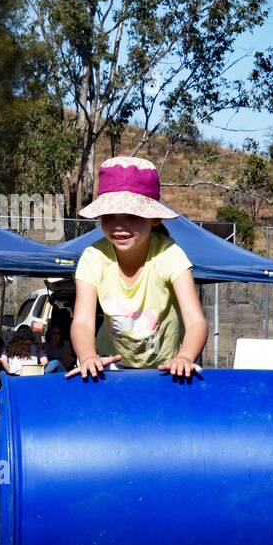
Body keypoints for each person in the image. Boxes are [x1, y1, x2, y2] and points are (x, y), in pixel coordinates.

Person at [69, 156, 206, 380]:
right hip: (108, 366)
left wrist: (186, 356)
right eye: (109, 216)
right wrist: (87, 357)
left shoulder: (169, 255)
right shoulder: (93, 257)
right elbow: (83, 321)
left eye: (132, 216)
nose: (119, 226)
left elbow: (195, 321)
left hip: (165, 370)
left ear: (154, 219)